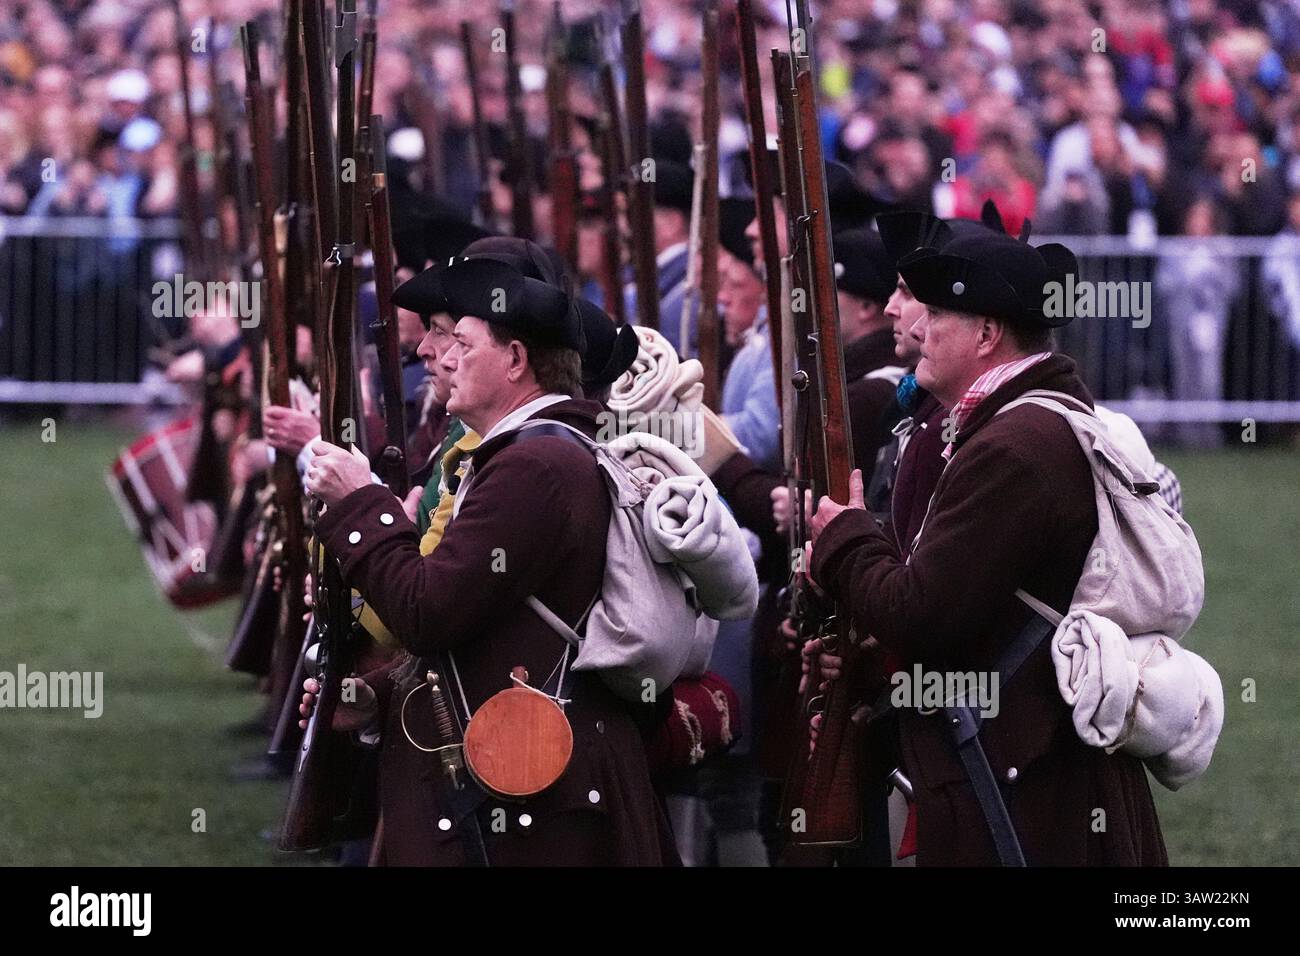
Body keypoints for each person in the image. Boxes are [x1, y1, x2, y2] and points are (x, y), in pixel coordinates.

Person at [302, 245, 679, 866]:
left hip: (538, 801)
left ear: (515, 360)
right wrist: (379, 698)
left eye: (463, 344)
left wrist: (363, 503)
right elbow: (481, 632)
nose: (441, 357)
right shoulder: (528, 454)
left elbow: (427, 610)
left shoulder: (534, 464)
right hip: (516, 779)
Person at [806, 227, 1168, 866]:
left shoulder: (1013, 448)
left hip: (1023, 776)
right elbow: (968, 607)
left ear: (986, 335)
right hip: (1019, 762)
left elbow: (922, 613)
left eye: (939, 312)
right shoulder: (1013, 430)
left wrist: (844, 536)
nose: (920, 326)